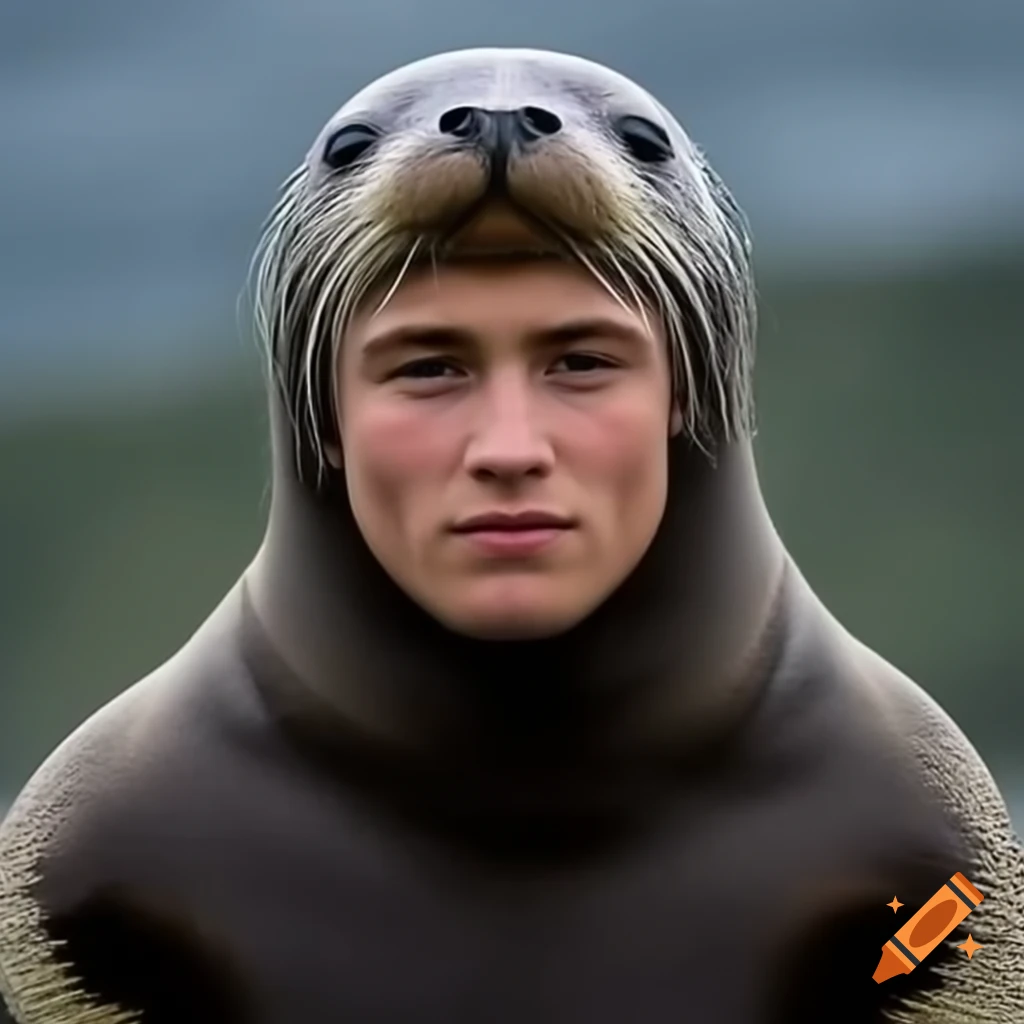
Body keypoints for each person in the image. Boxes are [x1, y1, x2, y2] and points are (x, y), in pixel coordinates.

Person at [1, 48, 1020, 1024]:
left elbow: (962, 957)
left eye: (580, 362)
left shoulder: (914, 854)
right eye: (427, 368)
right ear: (321, 405)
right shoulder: (99, 865)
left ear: (688, 383)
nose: (508, 448)